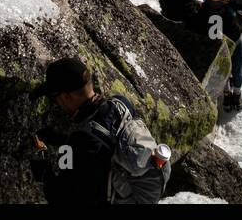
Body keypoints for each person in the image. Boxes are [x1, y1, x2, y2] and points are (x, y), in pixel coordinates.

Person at [29, 57, 171, 203]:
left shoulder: (81, 142)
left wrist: (45, 174)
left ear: (67, 96)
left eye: (55, 99)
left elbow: (63, 197)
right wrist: (61, 140)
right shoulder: (121, 103)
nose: (57, 104)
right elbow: (106, 144)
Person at [190, 0, 242, 112]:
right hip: (221, 43)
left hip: (234, 41)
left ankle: (236, 94)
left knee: (236, 69)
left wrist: (231, 3)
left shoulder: (225, 7)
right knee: (224, 70)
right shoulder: (207, 7)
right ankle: (227, 94)